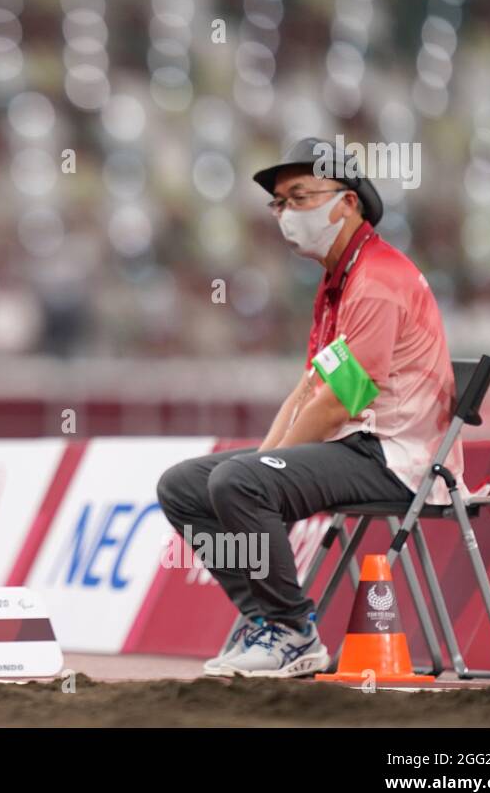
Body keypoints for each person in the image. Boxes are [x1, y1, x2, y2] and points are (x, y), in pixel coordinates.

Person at [156, 137, 463, 678]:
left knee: (237, 482)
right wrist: (262, 462)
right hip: (357, 447)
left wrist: (253, 474)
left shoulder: (377, 279)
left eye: (299, 197)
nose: (285, 214)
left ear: (347, 202)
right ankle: (266, 621)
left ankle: (292, 632)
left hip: (397, 460)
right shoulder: (339, 282)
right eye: (279, 203)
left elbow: (345, 400)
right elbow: (310, 391)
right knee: (184, 485)